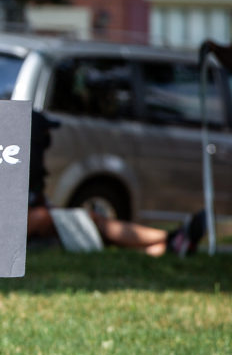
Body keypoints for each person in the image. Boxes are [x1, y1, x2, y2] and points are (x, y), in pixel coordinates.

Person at [26, 109, 207, 256]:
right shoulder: (16, 168)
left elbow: (44, 205)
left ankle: (167, 244)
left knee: (90, 220)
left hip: (41, 231)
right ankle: (172, 239)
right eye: (45, 136)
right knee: (75, 220)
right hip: (22, 235)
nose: (49, 141)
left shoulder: (36, 174)